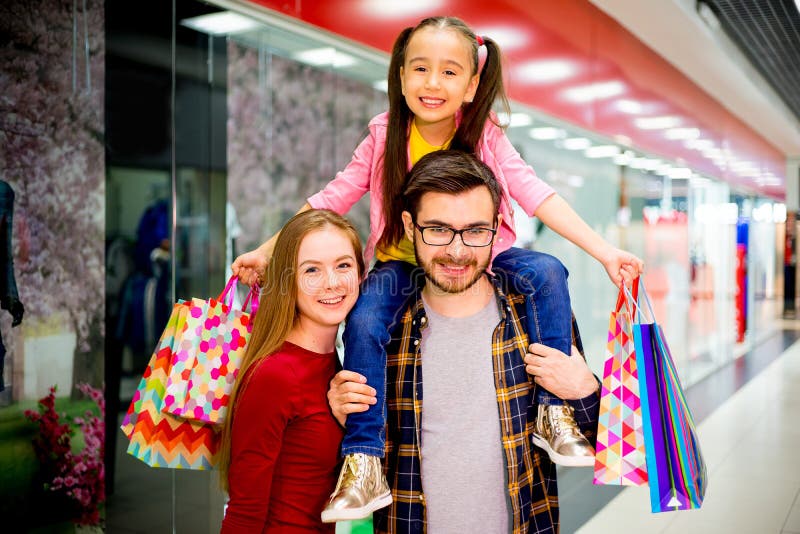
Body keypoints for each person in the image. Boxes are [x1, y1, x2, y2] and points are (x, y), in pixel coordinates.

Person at [232, 16, 642, 520]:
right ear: (400, 76)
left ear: (472, 85)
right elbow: (332, 197)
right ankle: (363, 461)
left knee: (549, 269)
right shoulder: (384, 137)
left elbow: (537, 194)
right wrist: (267, 249)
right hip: (397, 264)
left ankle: (551, 412)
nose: (432, 83)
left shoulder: (486, 138)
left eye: (450, 72)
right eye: (420, 68)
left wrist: (603, 257)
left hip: (498, 265)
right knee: (363, 320)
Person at [328, 150, 601, 533]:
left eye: (475, 231)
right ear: (409, 227)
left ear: (498, 226)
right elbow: (344, 469)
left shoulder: (534, 318)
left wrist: (586, 390)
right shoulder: (380, 331)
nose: (457, 251)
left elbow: (606, 445)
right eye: (438, 229)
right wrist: (337, 418)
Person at [218, 209, 365, 533]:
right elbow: (244, 512)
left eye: (343, 265)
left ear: (360, 273)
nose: (332, 282)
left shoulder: (336, 362)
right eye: (312, 270)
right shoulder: (275, 374)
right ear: (288, 281)